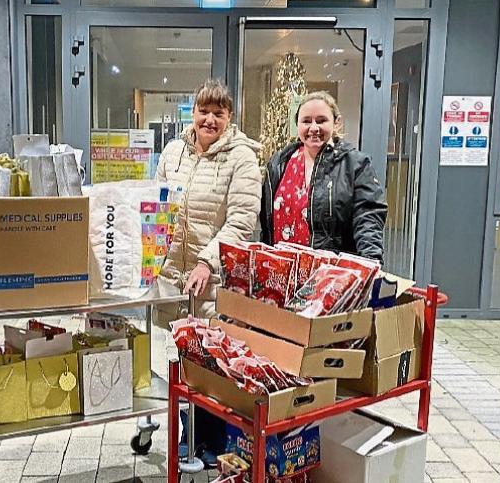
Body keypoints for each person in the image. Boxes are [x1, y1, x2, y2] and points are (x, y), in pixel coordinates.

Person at [154, 79, 262, 464]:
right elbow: (157, 210)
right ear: (193, 113)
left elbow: (241, 221)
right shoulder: (172, 153)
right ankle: (188, 432)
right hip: (170, 279)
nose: (209, 119)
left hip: (213, 281)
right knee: (175, 360)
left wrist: (206, 261)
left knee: (210, 363)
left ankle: (213, 441)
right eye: (204, 111)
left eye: (219, 112)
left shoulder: (243, 159)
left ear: (229, 117)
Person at [260, 91, 387, 260]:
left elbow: (368, 218)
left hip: (328, 276)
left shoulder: (355, 164)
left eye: (321, 120)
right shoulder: (279, 163)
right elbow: (267, 225)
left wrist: (371, 262)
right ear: (297, 125)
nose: (313, 128)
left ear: (336, 123)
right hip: (280, 273)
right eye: (306, 121)